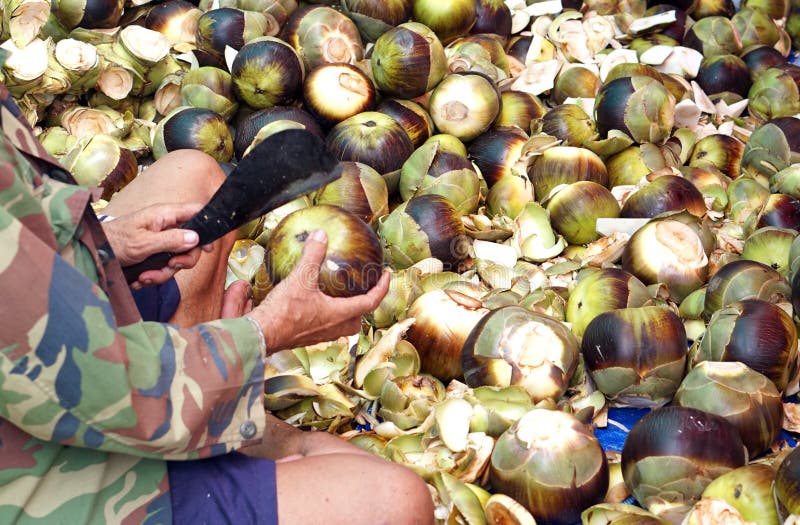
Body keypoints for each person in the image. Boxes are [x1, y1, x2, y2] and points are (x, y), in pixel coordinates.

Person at [0, 81, 434, 525]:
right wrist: (263, 334)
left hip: (51, 366)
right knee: (395, 503)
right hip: (34, 478)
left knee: (195, 178)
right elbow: (89, 381)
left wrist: (102, 244)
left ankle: (203, 424)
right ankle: (202, 434)